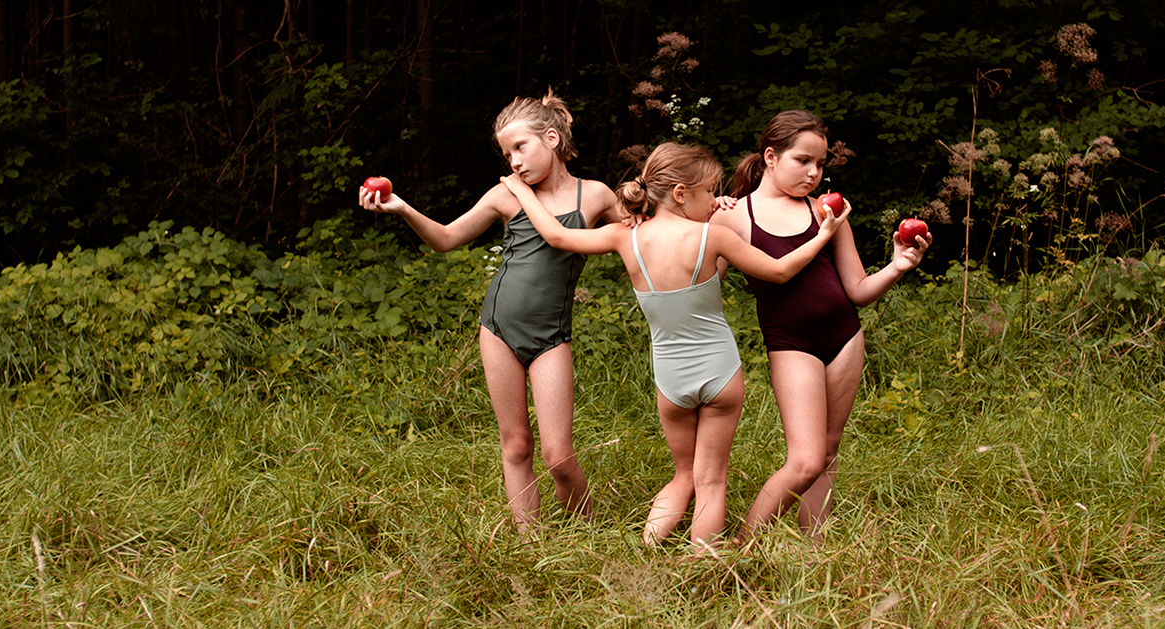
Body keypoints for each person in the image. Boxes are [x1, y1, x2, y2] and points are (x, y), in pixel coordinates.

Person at [499, 142, 848, 548]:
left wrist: (523, 192)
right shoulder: (712, 238)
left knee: (683, 476)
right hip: (720, 374)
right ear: (682, 193)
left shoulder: (623, 237)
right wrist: (825, 233)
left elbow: (557, 236)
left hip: (670, 379)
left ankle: (648, 548)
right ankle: (703, 563)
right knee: (711, 480)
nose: (716, 201)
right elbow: (780, 271)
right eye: (709, 192)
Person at [359, 89, 626, 531]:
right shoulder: (505, 196)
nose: (514, 162)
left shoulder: (594, 196)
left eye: (521, 147)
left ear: (554, 139)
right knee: (516, 445)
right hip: (498, 329)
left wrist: (707, 211)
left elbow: (645, 234)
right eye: (507, 154)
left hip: (552, 337)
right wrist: (401, 207)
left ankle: (590, 534)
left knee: (558, 456)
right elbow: (446, 239)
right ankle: (529, 544)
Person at [709, 110, 932, 540]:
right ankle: (742, 546)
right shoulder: (734, 217)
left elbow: (858, 290)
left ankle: (815, 550)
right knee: (805, 460)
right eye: (803, 161)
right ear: (770, 157)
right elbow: (700, 288)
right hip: (791, 343)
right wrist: (705, 210)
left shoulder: (827, 212)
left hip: (845, 336)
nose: (814, 173)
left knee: (828, 452)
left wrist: (898, 266)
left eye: (821, 164)